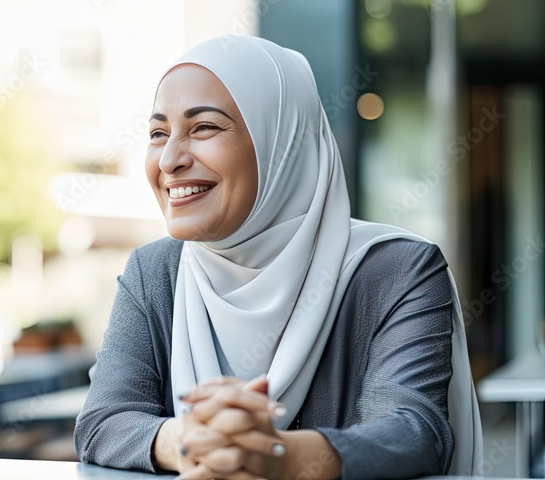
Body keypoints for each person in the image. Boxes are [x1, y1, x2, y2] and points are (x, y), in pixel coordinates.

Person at [73, 35, 483, 479]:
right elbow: (103, 422)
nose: (169, 159)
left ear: (281, 144)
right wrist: (191, 441)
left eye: (204, 127)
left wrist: (273, 454)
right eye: (157, 133)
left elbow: (413, 434)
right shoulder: (153, 272)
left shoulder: (397, 270)